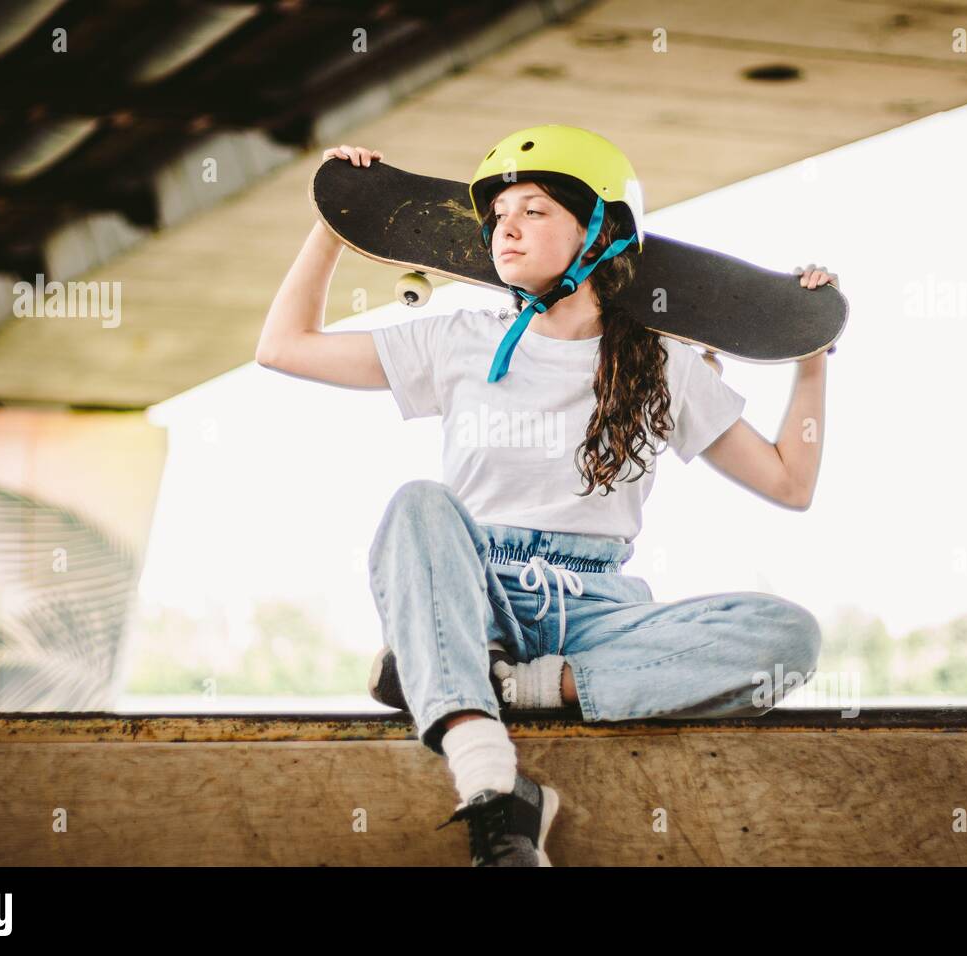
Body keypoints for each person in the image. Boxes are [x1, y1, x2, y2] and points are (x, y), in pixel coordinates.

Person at [255, 125, 836, 866]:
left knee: (787, 636)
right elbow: (283, 346)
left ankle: (497, 681)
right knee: (417, 504)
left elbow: (790, 482)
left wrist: (810, 358)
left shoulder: (664, 365)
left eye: (533, 210)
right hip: (478, 592)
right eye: (498, 216)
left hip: (599, 614)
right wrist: (334, 222)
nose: (506, 228)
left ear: (599, 232)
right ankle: (495, 788)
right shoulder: (459, 338)